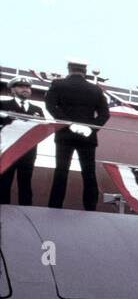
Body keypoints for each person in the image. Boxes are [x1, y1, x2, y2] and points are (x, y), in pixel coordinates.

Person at [44, 60, 109, 211]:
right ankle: (90, 208)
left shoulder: (57, 85)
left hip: (64, 135)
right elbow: (105, 114)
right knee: (89, 173)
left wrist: (69, 124)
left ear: (69, 69)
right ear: (85, 71)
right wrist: (91, 128)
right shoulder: (96, 89)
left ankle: (55, 206)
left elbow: (50, 106)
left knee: (61, 170)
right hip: (88, 137)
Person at [0, 76, 46, 206]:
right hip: (8, 149)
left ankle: (26, 209)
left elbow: (42, 130)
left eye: (27, 87)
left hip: (28, 151)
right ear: (13, 90)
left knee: (25, 182)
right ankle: (3, 210)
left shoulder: (37, 110)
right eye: (21, 87)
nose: (25, 89)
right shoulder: (3, 105)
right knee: (5, 181)